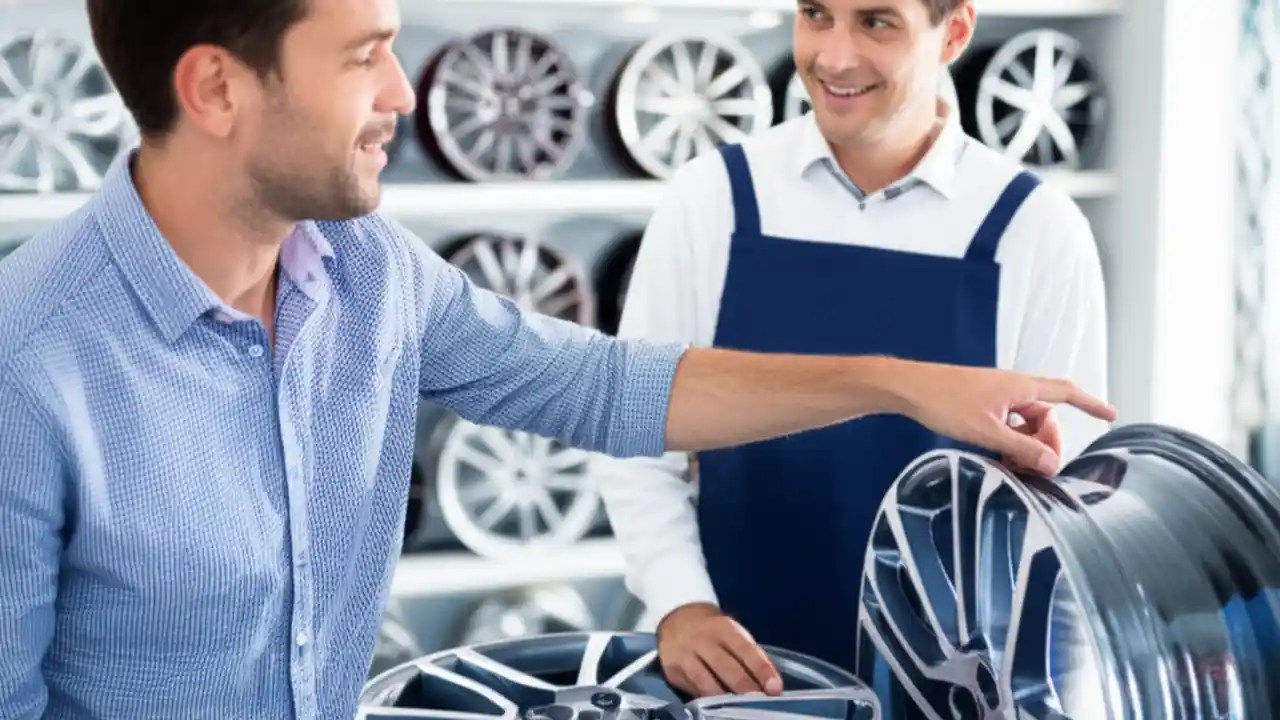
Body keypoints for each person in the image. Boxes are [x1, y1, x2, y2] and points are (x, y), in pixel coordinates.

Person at [0, 0, 1115, 718]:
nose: (401, 91)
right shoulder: (28, 363)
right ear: (215, 89)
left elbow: (606, 387)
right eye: (364, 57)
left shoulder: (370, 276)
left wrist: (896, 381)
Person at [593, 0, 1110, 699]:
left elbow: (1060, 512)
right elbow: (635, 428)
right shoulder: (714, 198)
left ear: (953, 32)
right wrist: (680, 604)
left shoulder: (1035, 230)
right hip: (738, 681)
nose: (834, 57)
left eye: (876, 22)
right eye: (816, 14)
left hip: (948, 690)